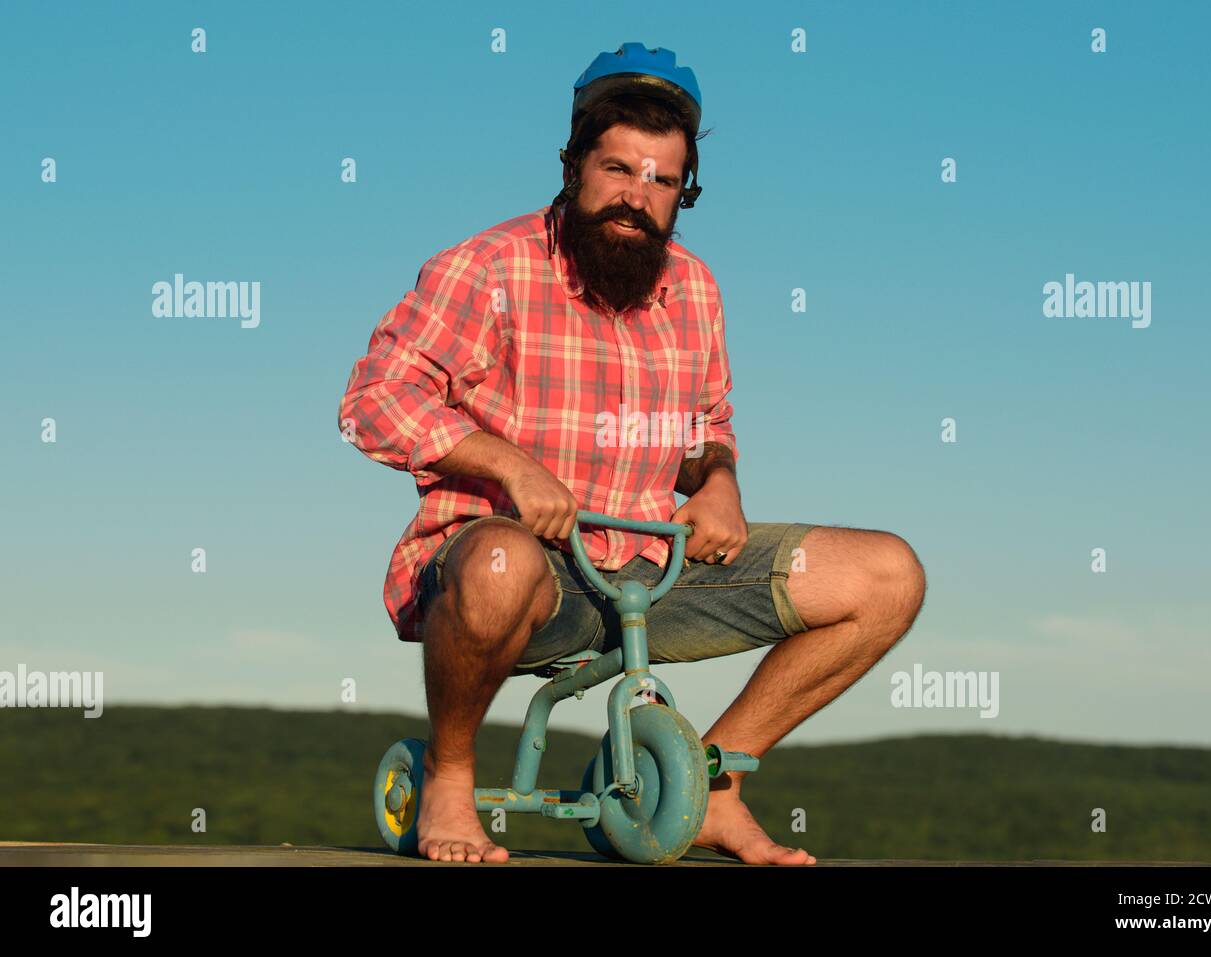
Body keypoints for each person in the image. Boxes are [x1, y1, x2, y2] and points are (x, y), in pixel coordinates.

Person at [338, 42, 926, 865]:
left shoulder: (694, 288)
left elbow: (705, 429)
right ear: (573, 161)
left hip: (654, 566)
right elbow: (373, 400)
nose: (635, 197)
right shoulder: (489, 267)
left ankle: (715, 786)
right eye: (616, 169)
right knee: (502, 562)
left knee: (887, 575)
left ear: (685, 190)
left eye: (659, 180)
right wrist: (510, 466)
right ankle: (450, 776)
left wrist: (719, 480)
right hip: (522, 571)